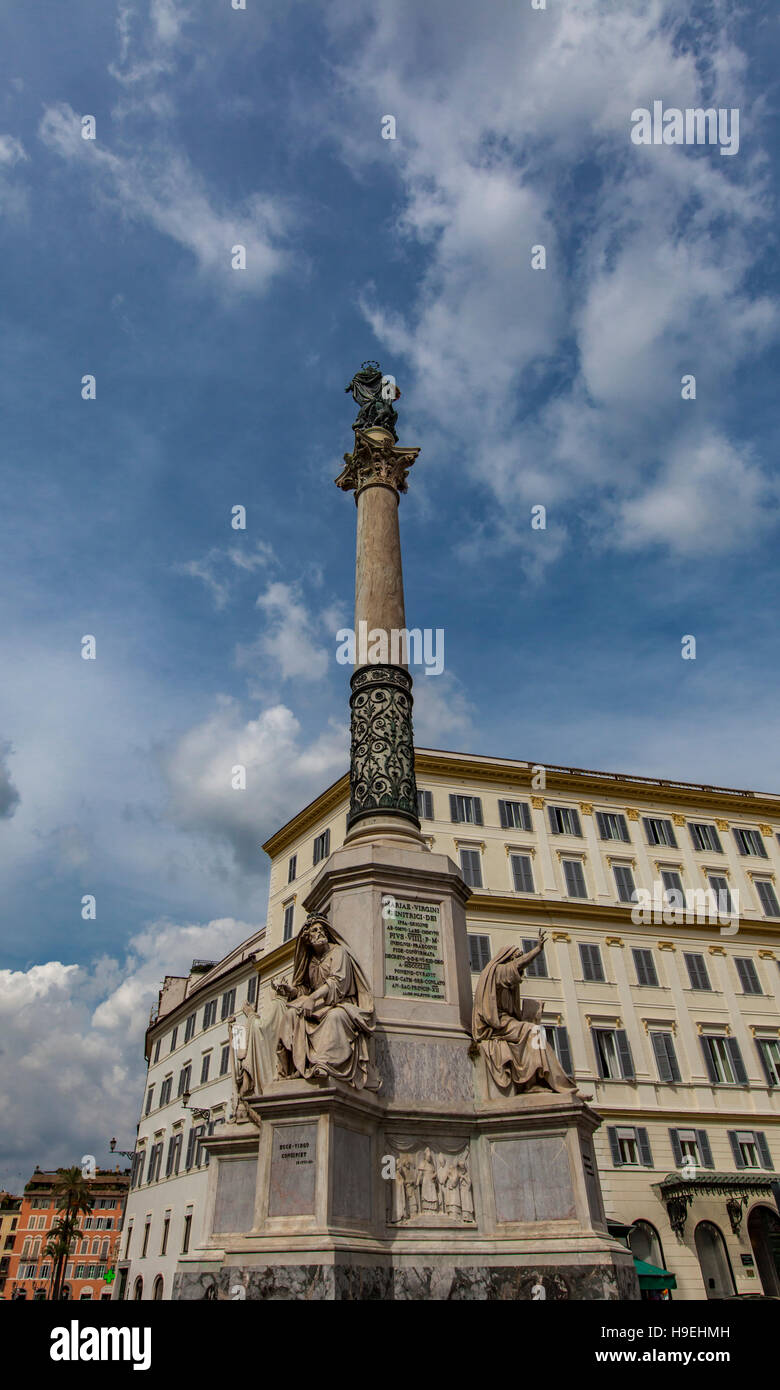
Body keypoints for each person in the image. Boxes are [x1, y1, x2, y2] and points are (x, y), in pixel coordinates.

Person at [259, 913, 380, 1091]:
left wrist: (312, 999)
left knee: (334, 1017)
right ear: (308, 939)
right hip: (317, 1006)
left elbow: (337, 983)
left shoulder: (338, 952)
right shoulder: (311, 961)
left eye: (321, 929)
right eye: (315, 930)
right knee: (291, 1014)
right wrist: (292, 991)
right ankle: (292, 1069)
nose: (319, 932)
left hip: (340, 1002)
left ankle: (324, 1064)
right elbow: (306, 989)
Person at [472, 931, 579, 1097]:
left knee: (535, 1030)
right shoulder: (497, 971)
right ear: (508, 959)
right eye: (515, 959)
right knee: (533, 1032)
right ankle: (541, 1081)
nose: (519, 971)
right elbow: (518, 965)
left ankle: (547, 1081)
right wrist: (537, 950)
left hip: (504, 1022)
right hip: (495, 1025)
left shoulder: (506, 981)